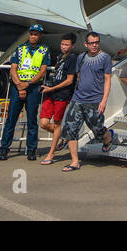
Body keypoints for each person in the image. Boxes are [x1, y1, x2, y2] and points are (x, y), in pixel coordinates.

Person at [60, 32, 116, 171]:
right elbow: (78, 76)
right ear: (86, 44)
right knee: (70, 129)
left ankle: (108, 136)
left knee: (98, 130)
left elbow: (107, 79)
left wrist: (104, 100)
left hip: (95, 100)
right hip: (78, 99)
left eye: (97, 42)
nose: (94, 45)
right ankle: (75, 162)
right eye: (92, 43)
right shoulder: (81, 57)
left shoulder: (105, 58)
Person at [0, 24, 50, 161]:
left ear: (41, 36)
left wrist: (28, 84)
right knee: (11, 119)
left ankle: (31, 149)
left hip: (33, 87)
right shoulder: (20, 48)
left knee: (32, 119)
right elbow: (13, 68)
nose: (33, 36)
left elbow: (42, 70)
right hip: (18, 86)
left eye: (36, 34)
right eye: (31, 34)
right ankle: (4, 148)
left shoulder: (44, 50)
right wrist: (19, 86)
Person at [39, 34, 78, 164]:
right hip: (51, 93)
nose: (64, 47)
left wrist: (52, 88)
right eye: (62, 44)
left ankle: (51, 154)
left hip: (62, 94)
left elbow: (69, 80)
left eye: (67, 45)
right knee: (44, 123)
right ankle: (64, 136)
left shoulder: (72, 58)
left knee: (57, 123)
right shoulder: (60, 57)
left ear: (73, 46)